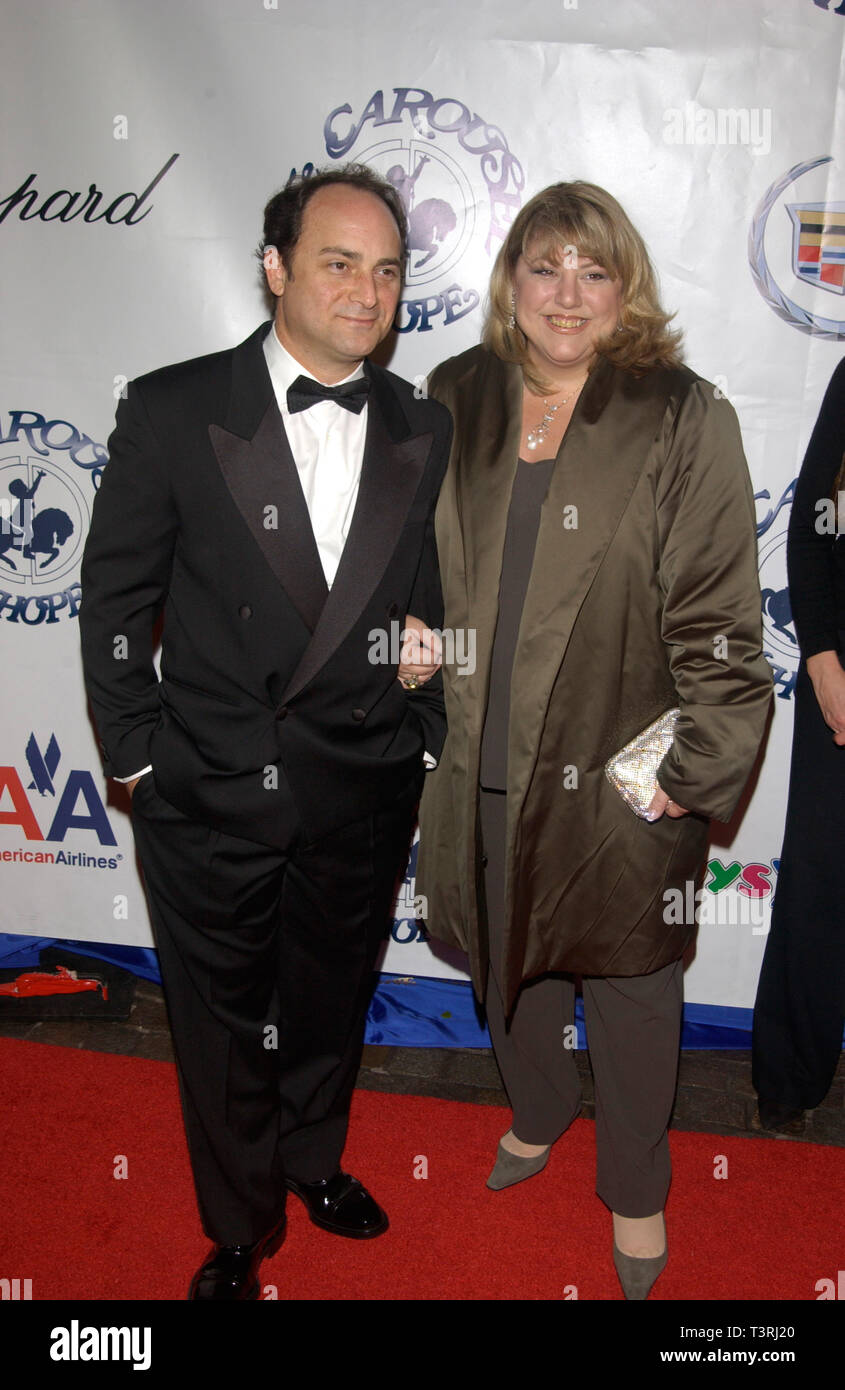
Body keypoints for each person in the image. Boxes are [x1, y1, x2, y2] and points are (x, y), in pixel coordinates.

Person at [79, 164, 452, 1299]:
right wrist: (141, 761)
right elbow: (113, 599)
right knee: (223, 1021)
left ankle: (314, 1161)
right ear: (275, 268)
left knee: (331, 999)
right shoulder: (172, 408)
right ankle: (239, 1224)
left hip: (359, 786)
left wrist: (423, 721)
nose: (366, 289)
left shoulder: (420, 424)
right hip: (212, 792)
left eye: (385, 270)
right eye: (338, 263)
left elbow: (423, 594)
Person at [408, 181, 772, 1300]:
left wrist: (697, 767)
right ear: (509, 280)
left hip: (618, 760)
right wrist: (407, 636)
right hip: (480, 746)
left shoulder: (678, 413)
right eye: (543, 265)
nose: (566, 293)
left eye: (592, 270)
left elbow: (716, 606)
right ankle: (535, 1110)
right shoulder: (453, 393)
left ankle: (634, 1184)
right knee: (503, 967)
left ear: (624, 291)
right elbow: (411, 556)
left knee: (626, 988)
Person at [752, 358, 845, 1131]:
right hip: (842, 678)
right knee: (818, 878)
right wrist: (819, 655)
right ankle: (787, 1076)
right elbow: (814, 519)